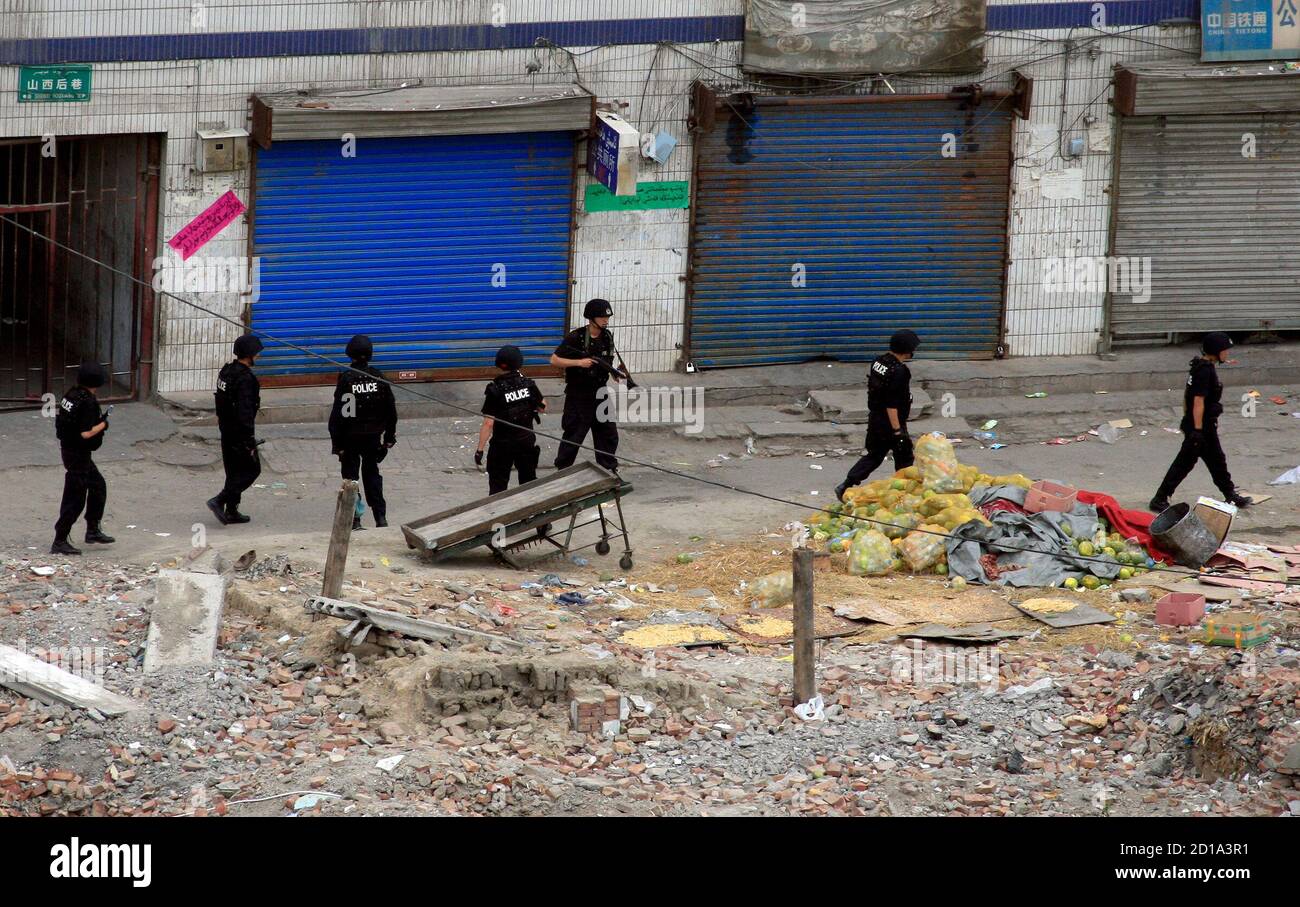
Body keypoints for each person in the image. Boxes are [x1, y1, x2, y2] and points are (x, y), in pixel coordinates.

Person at [1150, 332, 1253, 513]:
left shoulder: (1200, 366)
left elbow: (1186, 396)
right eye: (1225, 350)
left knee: (1216, 461)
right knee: (1185, 463)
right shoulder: (1205, 371)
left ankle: (1230, 495)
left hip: (1199, 425)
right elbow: (1198, 400)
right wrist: (1196, 430)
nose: (1227, 354)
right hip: (1201, 427)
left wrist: (1187, 418)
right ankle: (1159, 498)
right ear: (1216, 351)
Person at [835, 330, 920, 501]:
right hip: (890, 422)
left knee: (874, 455)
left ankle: (846, 484)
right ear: (908, 350)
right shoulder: (900, 371)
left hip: (875, 418)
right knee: (904, 456)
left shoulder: (879, 361)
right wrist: (897, 431)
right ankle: (905, 491)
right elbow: (892, 404)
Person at [328, 335, 397, 528]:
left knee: (351, 478)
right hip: (373, 438)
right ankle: (380, 517)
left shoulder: (347, 378)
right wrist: (389, 438)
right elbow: (391, 410)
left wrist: (337, 444)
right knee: (372, 476)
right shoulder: (378, 377)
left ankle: (355, 519)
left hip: (350, 438)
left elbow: (338, 414)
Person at [51, 363, 115, 555]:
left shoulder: (71, 394)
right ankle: (60, 540)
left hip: (72, 451)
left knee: (98, 486)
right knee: (75, 498)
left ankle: (92, 530)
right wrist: (103, 425)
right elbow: (86, 434)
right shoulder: (87, 402)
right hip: (77, 453)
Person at [550, 297, 620, 472]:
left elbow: (606, 360)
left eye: (608, 318)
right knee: (574, 434)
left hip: (600, 392)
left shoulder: (607, 336)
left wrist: (615, 372)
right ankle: (563, 471)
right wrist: (579, 363)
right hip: (578, 394)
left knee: (608, 433)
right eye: (602, 317)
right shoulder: (576, 337)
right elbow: (554, 360)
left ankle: (608, 469)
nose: (606, 320)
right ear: (591, 318)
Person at [207, 334, 263, 525]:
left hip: (226, 429)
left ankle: (232, 510)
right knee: (252, 470)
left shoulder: (226, 371)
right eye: (257, 354)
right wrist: (249, 440)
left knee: (234, 470)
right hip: (239, 433)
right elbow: (245, 412)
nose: (258, 357)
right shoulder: (245, 379)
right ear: (249, 355)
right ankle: (219, 500)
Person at [475, 345, 546, 494]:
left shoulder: (495, 389)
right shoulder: (528, 384)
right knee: (528, 485)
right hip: (526, 441)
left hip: (502, 445)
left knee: (498, 488)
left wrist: (479, 450)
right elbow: (542, 407)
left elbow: (488, 423)